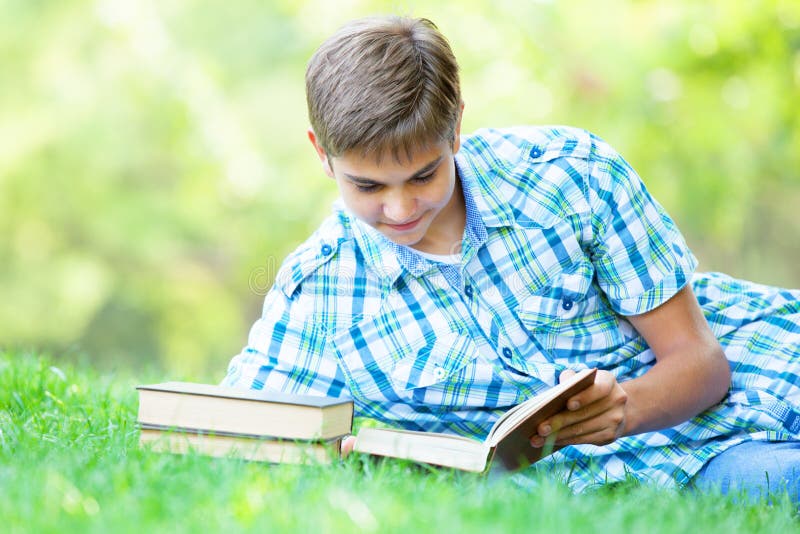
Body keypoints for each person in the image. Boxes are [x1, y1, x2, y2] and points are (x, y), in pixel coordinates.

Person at [221, 15, 800, 499]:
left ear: (454, 131)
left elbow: (703, 363)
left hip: (765, 360)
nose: (399, 209)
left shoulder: (571, 174)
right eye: (368, 187)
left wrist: (624, 407)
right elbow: (236, 429)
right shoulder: (319, 292)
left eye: (423, 175)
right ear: (321, 153)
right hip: (678, 464)